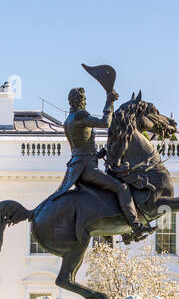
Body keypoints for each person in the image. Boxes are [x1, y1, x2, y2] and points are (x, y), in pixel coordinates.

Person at [44, 85, 154, 236]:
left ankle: (124, 230)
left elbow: (80, 148)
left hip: (78, 166)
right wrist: (109, 102)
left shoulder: (67, 120)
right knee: (122, 187)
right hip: (87, 169)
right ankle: (135, 227)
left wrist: (97, 154)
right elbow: (105, 122)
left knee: (111, 186)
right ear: (81, 101)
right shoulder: (80, 115)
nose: (86, 102)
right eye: (84, 99)